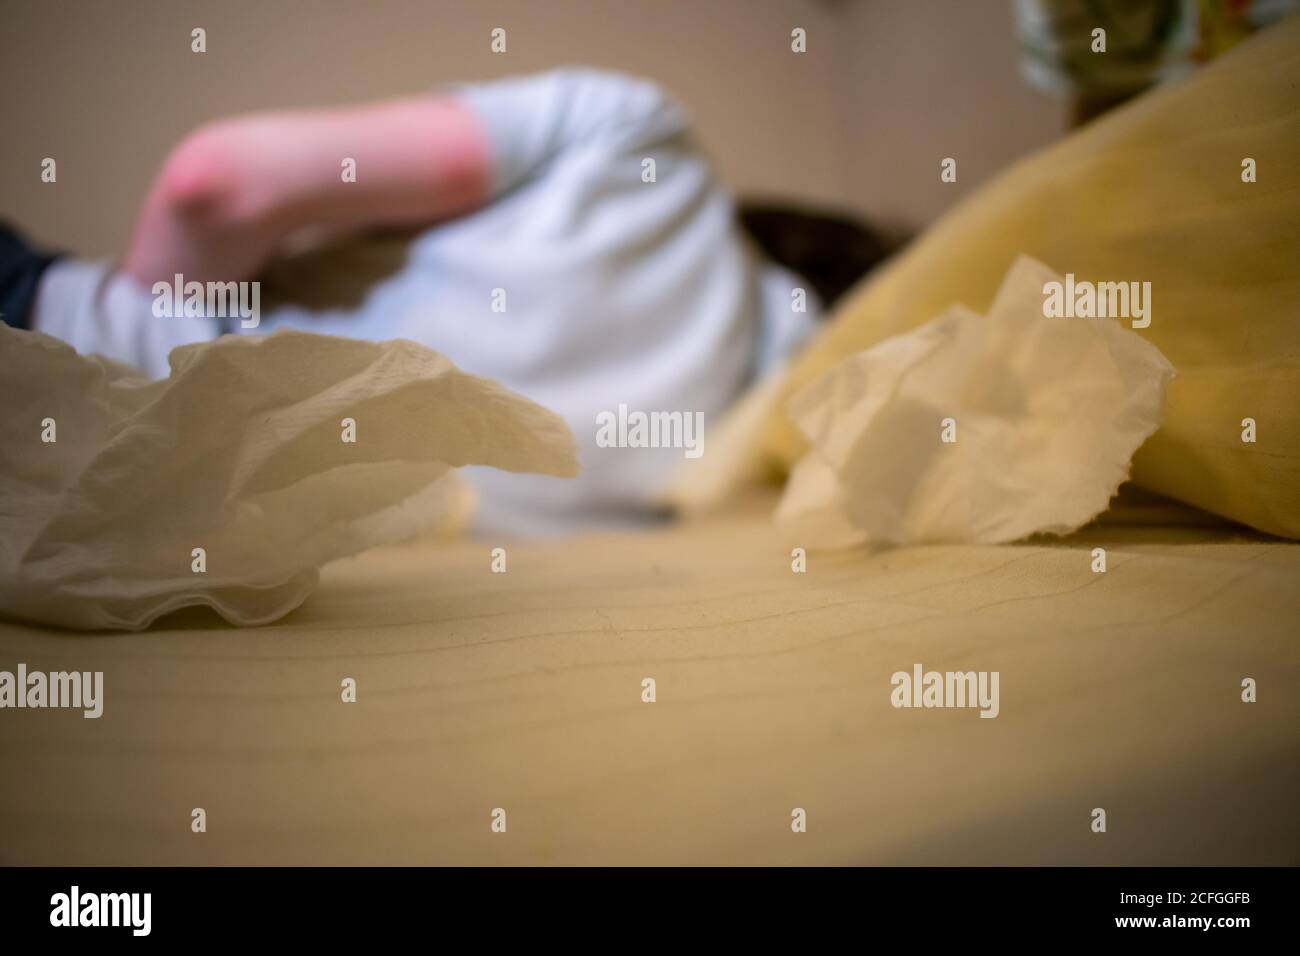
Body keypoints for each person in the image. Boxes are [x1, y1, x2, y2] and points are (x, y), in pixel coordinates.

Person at [2, 68, 885, 534]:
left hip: (38, 338)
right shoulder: (717, 478)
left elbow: (215, 184)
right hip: (93, 520)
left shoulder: (638, 134)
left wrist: (117, 341)